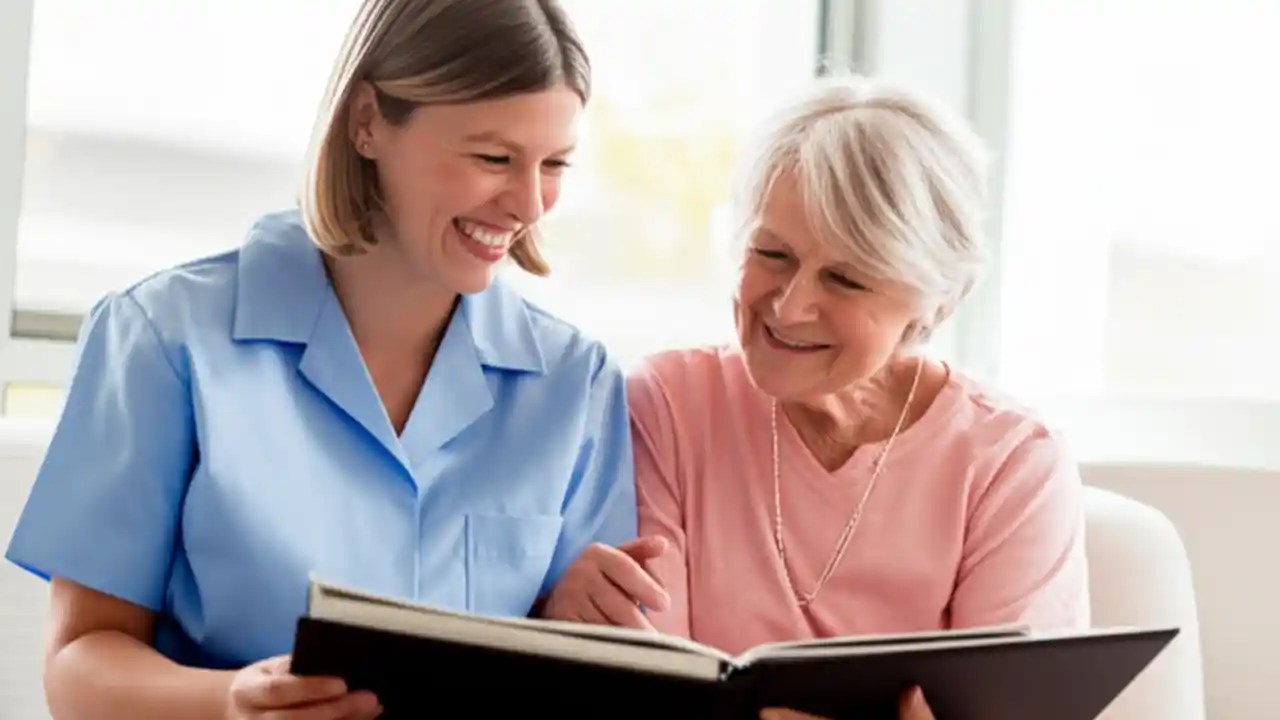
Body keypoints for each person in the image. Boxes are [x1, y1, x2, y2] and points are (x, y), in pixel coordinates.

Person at [3, 1, 661, 718]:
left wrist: (559, 621)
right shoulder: (164, 338)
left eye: (555, 164)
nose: (528, 203)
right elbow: (77, 665)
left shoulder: (575, 382)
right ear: (369, 122)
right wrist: (229, 703)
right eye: (494, 158)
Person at [546, 75, 1091, 720]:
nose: (790, 304)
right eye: (772, 254)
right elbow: (661, 693)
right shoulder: (665, 405)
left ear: (935, 301)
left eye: (846, 279)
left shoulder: (1012, 464)